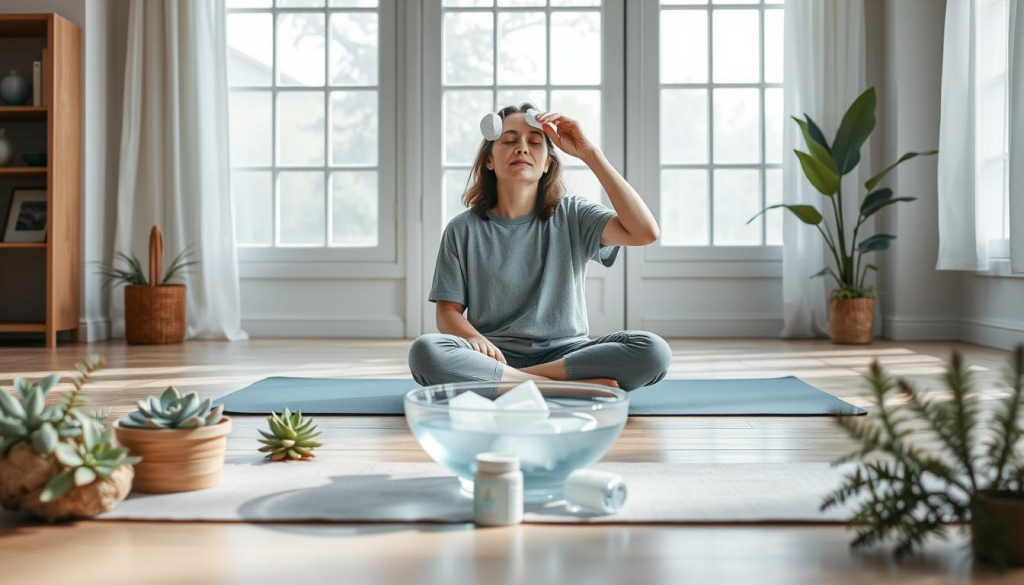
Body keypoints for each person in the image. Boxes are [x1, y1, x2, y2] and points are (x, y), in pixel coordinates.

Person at [408, 103, 671, 391]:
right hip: (490, 355)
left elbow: (645, 232)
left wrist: (589, 154)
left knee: (653, 350)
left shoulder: (573, 214)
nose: (521, 148)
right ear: (489, 161)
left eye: (534, 142)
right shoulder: (462, 229)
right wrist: (476, 340)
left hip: (565, 355)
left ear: (547, 163)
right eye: (509, 140)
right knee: (426, 351)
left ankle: (511, 383)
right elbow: (447, 312)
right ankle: (562, 388)